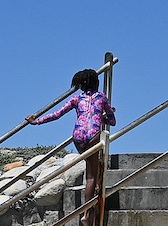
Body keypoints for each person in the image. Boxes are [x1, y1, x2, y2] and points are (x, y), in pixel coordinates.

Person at [28, 68, 116, 211]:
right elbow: (112, 121)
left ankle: (93, 201)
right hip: (93, 135)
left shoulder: (77, 99)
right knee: (91, 176)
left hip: (78, 136)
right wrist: (104, 115)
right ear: (96, 83)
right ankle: (86, 213)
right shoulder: (102, 97)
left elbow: (57, 114)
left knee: (90, 166)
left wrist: (36, 121)